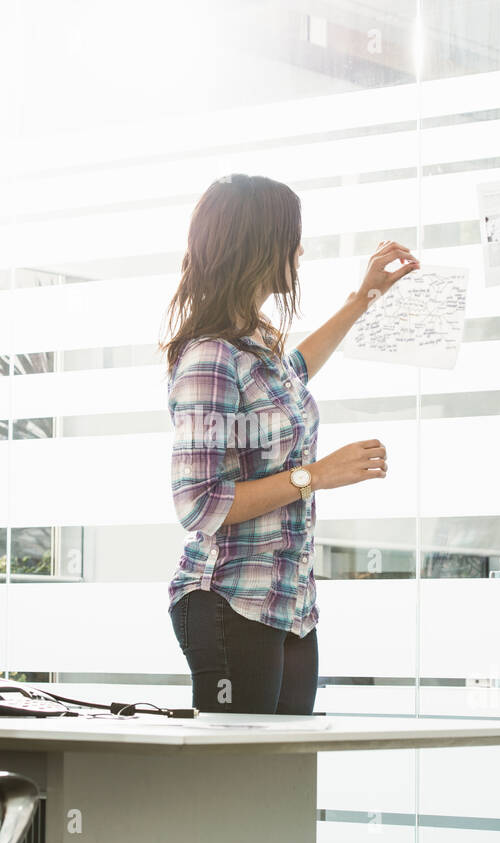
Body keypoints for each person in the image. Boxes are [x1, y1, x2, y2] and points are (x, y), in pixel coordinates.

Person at [160, 174, 418, 715]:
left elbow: (295, 373)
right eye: (291, 238)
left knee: (284, 788)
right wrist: (316, 476)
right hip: (230, 600)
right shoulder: (211, 358)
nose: (299, 251)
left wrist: (364, 297)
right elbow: (200, 504)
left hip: (289, 602)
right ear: (258, 246)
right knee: (239, 786)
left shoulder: (255, 344)